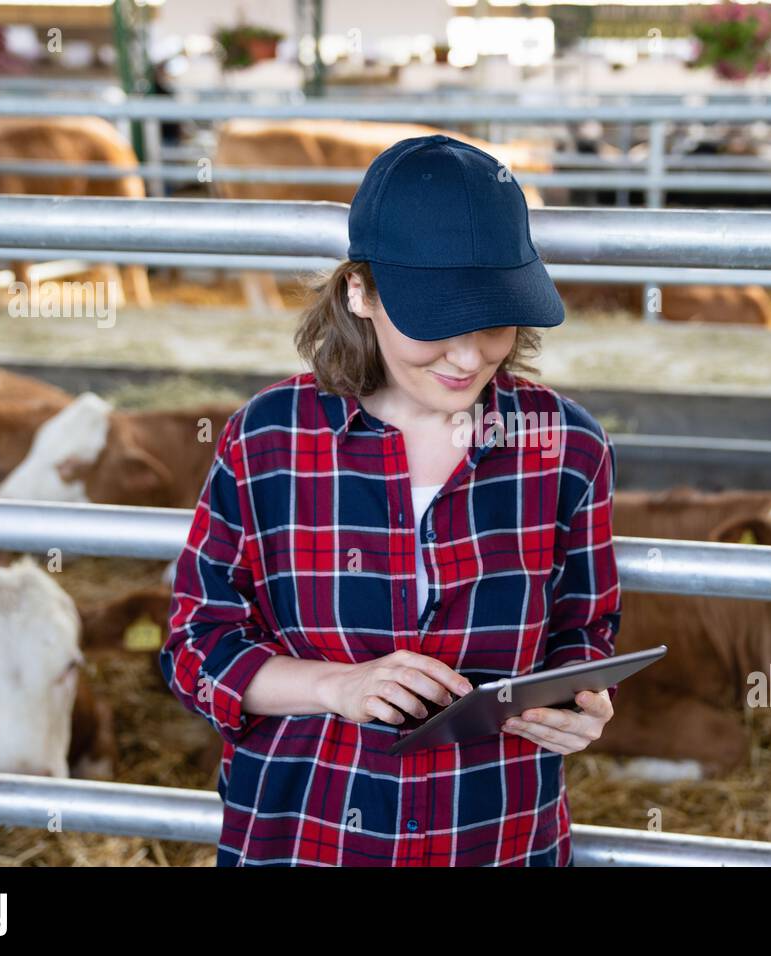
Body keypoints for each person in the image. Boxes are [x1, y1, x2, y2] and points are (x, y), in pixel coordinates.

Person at [161, 133, 622, 866]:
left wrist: (577, 705)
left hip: (496, 835)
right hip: (310, 836)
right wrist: (336, 687)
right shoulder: (269, 438)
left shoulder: (566, 445)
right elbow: (194, 647)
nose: (469, 357)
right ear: (360, 292)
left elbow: (583, 629)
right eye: (436, 323)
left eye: (496, 322)